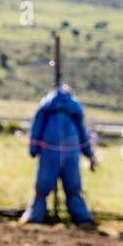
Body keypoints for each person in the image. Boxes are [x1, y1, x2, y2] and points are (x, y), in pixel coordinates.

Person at [20, 84, 99, 227]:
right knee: (73, 188)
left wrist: (33, 149)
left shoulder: (46, 107)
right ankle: (82, 218)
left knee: (42, 188)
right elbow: (82, 132)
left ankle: (34, 216)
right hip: (71, 153)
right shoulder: (74, 109)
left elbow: (36, 128)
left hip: (49, 152)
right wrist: (89, 154)